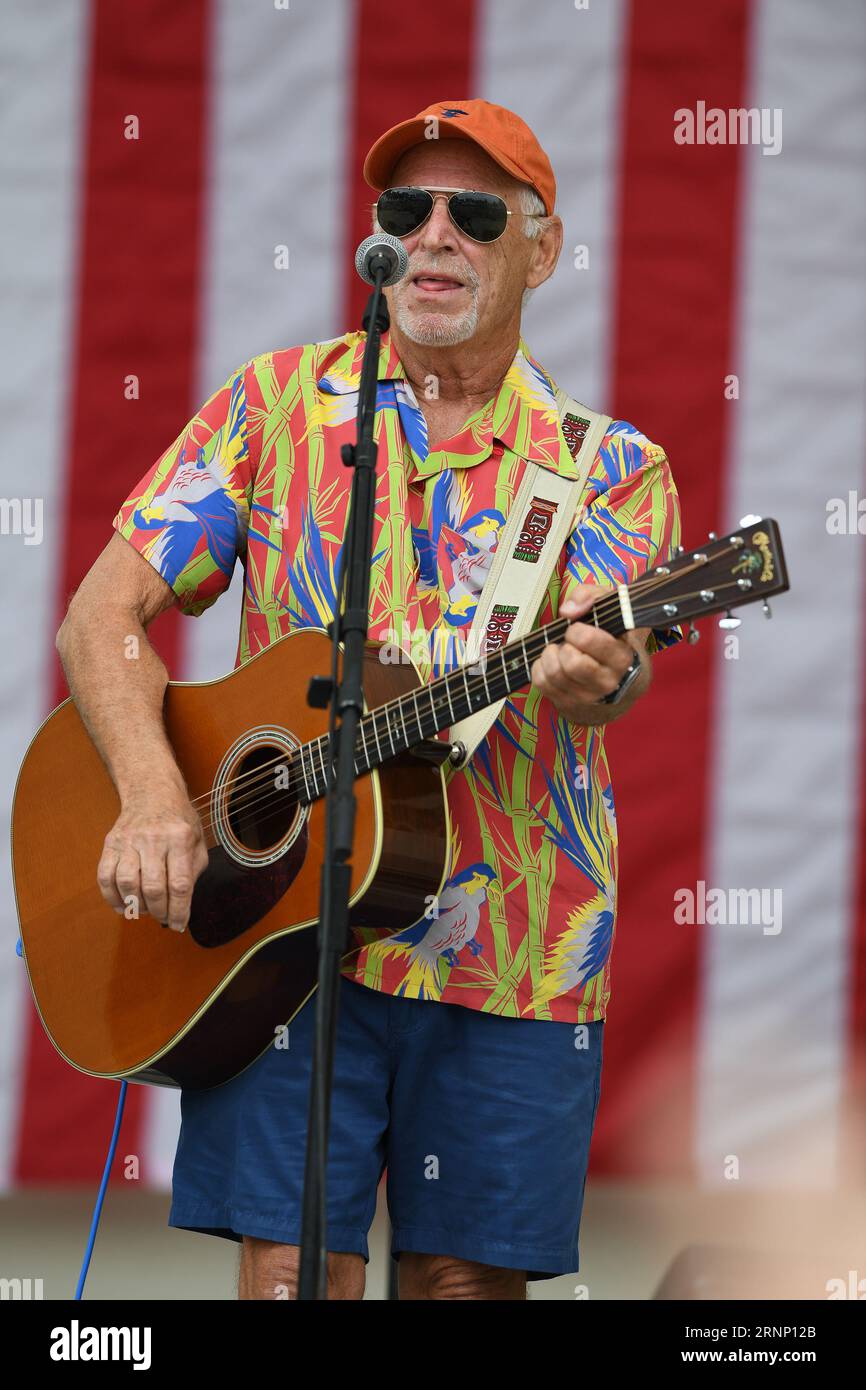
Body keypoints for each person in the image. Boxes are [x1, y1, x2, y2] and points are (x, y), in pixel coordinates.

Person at [56, 99, 681, 1300]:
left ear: (538, 252)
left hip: (512, 951)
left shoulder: (606, 470)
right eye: (408, 209)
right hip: (284, 939)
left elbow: (614, 679)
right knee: (290, 1276)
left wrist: (594, 679)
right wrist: (151, 794)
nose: (435, 236)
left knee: (460, 1289)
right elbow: (103, 615)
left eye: (475, 214)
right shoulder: (274, 410)